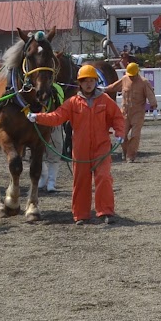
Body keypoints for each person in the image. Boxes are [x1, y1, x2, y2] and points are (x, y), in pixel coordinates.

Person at [27, 65, 126, 225]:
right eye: (85, 81)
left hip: (101, 147)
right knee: (80, 181)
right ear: (79, 83)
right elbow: (57, 117)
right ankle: (81, 215)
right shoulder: (73, 102)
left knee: (104, 178)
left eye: (91, 80)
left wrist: (120, 133)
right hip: (80, 149)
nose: (88, 84)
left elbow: (117, 118)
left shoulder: (105, 100)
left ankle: (105, 212)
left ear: (96, 81)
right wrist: (38, 117)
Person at [104, 63, 158, 162]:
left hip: (138, 113)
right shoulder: (125, 79)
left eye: (133, 75)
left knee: (135, 135)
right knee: (122, 134)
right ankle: (125, 153)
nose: (131, 77)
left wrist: (154, 108)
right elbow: (114, 87)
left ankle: (131, 156)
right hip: (124, 112)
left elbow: (151, 95)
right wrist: (104, 89)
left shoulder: (144, 82)